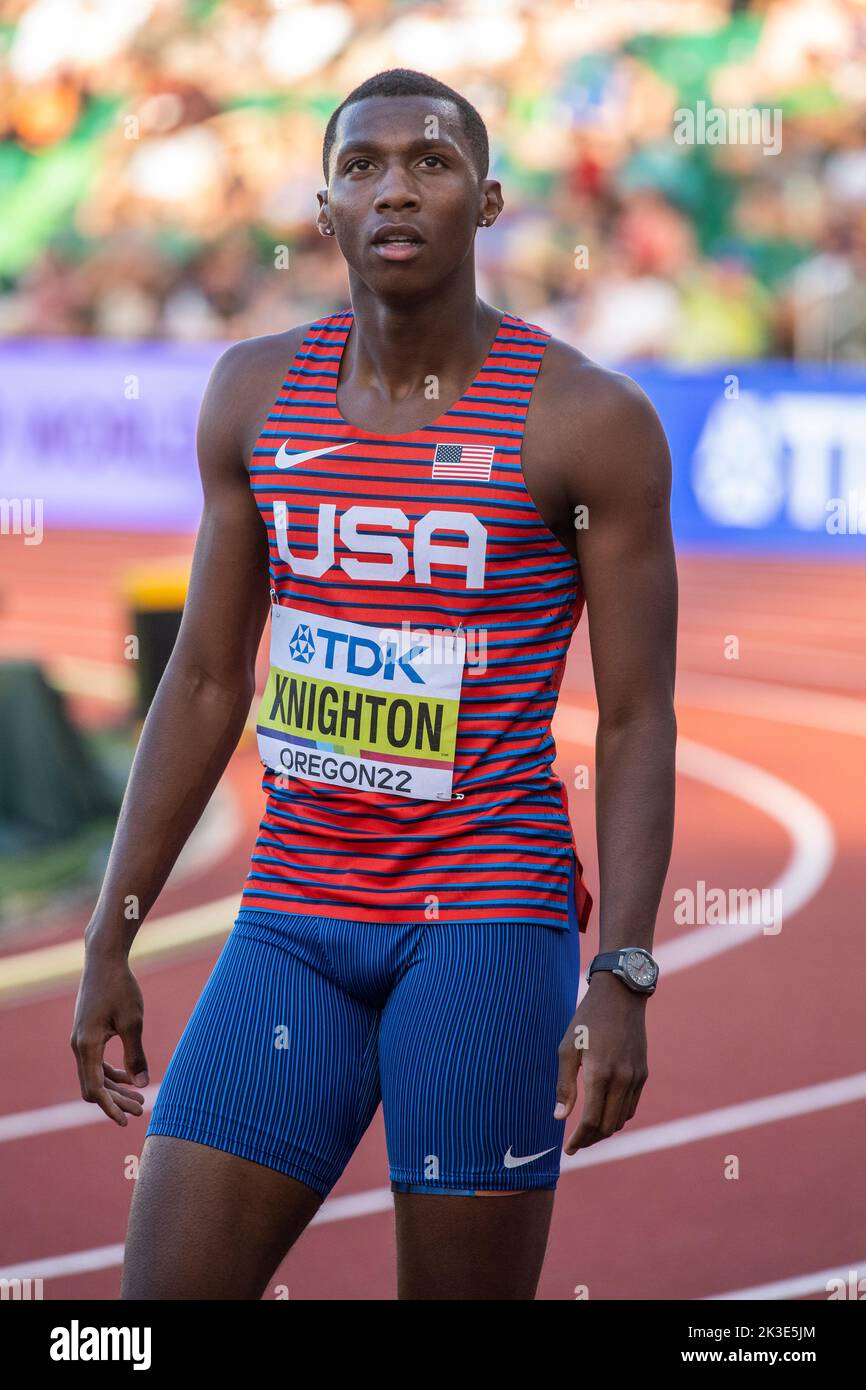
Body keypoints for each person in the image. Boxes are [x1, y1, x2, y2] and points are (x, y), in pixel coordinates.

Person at [71, 68, 677, 1302]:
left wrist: (619, 968)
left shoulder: (583, 422)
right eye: (363, 166)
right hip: (291, 912)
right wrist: (112, 927)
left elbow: (632, 717)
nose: (395, 184)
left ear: (488, 200)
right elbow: (198, 678)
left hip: (484, 922)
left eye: (432, 161)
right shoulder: (251, 394)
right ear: (323, 206)